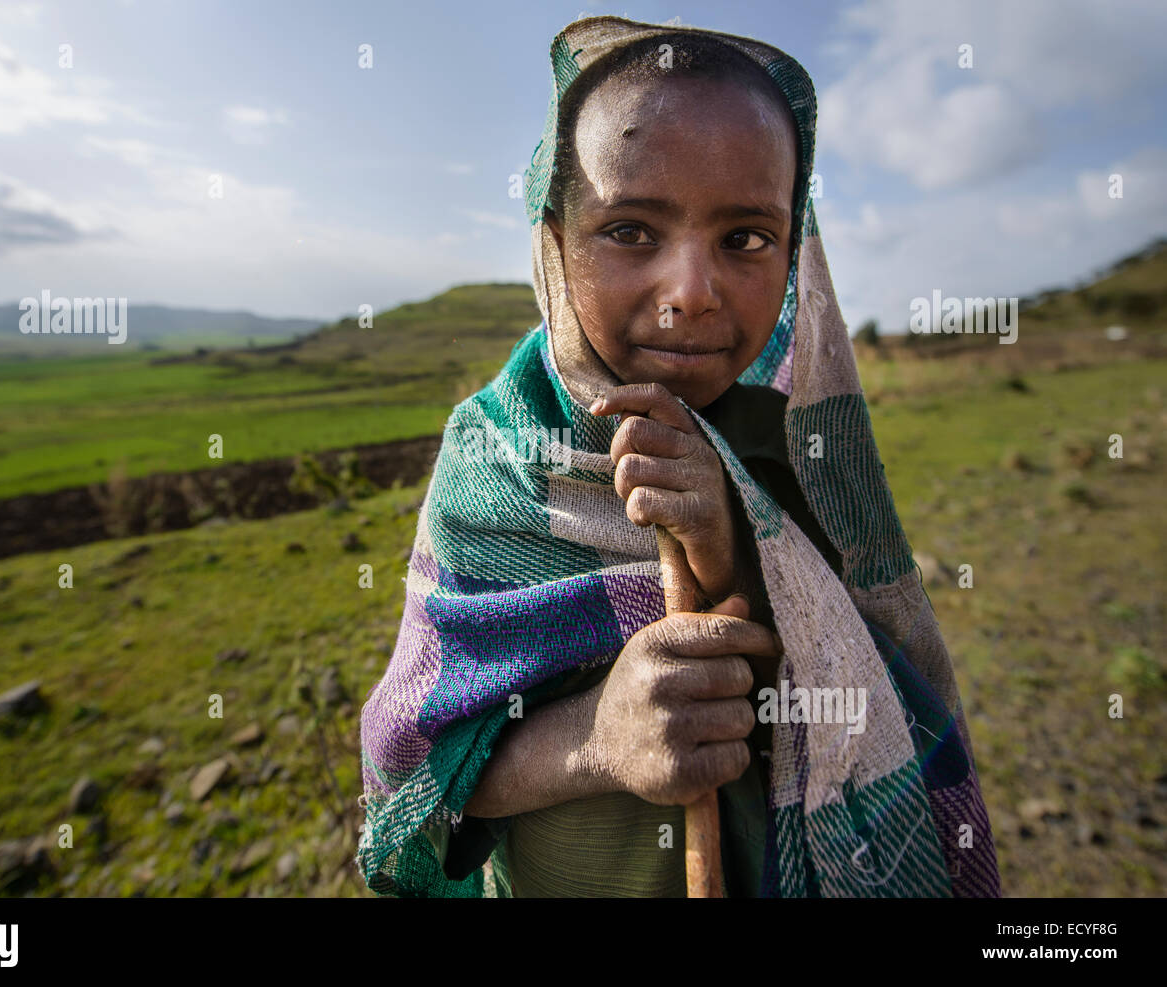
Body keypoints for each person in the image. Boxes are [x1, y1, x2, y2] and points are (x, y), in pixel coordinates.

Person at [357, 15, 1002, 898]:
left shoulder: (798, 450)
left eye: (745, 238)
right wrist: (594, 736)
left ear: (793, 256)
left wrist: (734, 548)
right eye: (629, 230)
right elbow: (409, 776)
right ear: (553, 241)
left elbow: (865, 686)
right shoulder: (496, 455)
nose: (692, 293)